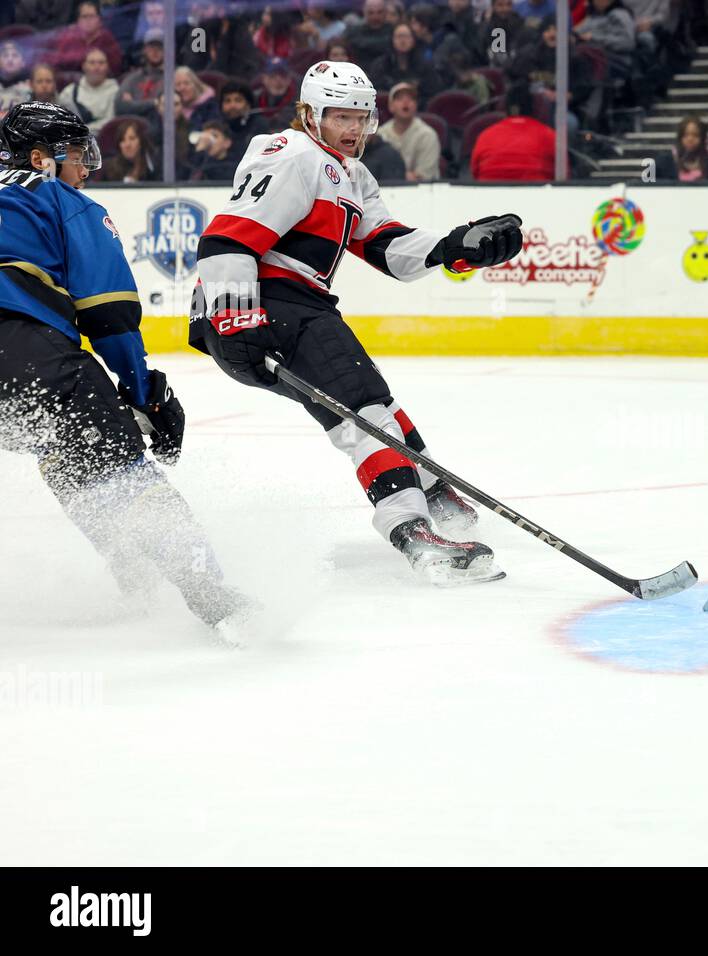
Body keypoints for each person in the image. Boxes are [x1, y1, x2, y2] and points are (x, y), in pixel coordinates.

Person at [192, 61, 524, 584]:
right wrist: (235, 319)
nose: (353, 129)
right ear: (309, 114)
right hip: (270, 304)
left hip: (295, 306)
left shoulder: (351, 173)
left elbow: (387, 247)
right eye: (341, 116)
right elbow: (225, 241)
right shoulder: (293, 154)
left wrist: (455, 246)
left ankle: (432, 489)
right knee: (364, 409)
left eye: (362, 118)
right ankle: (412, 529)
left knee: (378, 404)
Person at [0, 102, 247, 628]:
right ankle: (214, 598)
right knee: (116, 467)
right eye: (75, 156)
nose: (85, 168)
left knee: (60, 447)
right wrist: (144, 394)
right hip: (25, 355)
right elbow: (108, 316)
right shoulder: (57, 198)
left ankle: (134, 571)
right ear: (40, 158)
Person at [470, 83, 556, 180]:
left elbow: (475, 175)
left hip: (491, 194)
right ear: (534, 109)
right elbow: (564, 179)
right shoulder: (549, 136)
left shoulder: (485, 136)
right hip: (536, 194)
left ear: (504, 109)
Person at [377, 81, 442, 182]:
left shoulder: (428, 135)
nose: (406, 102)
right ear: (391, 106)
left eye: (411, 99)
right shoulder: (381, 134)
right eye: (399, 99)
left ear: (416, 105)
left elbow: (425, 177)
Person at [57, 48, 118, 134]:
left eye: (101, 63)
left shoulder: (115, 90)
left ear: (107, 66)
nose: (97, 67)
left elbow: (111, 121)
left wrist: (83, 130)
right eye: (92, 63)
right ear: (84, 66)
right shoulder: (70, 92)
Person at [654, 116, 708, 181]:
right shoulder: (664, 162)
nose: (690, 139)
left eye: (695, 135)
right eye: (686, 135)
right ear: (680, 138)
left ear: (703, 138)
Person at [101, 115, 158, 181]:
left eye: (132, 138)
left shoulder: (153, 167)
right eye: (122, 140)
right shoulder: (110, 169)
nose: (127, 145)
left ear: (142, 141)